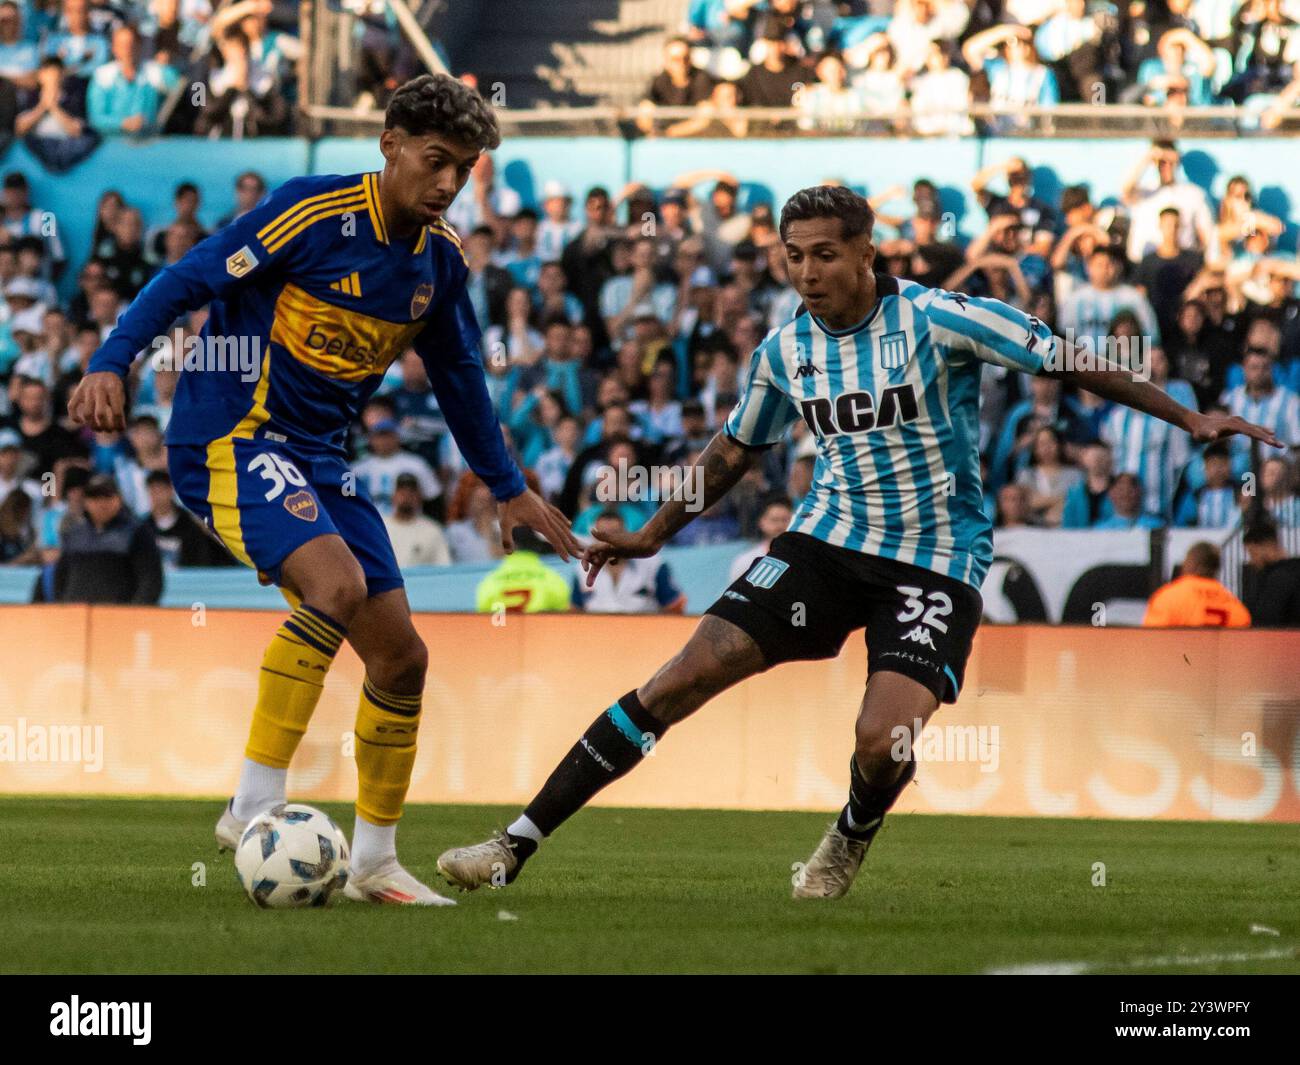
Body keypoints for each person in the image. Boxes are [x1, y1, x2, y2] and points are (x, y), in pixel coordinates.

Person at [437, 185, 1280, 899]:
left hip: (936, 560)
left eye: (825, 254)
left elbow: (1066, 359)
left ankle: (850, 832)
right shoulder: (786, 351)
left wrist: (1188, 414)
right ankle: (513, 844)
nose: (807, 271)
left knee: (883, 741)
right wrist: (651, 535)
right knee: (680, 676)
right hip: (828, 541)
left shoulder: (940, 319)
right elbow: (731, 452)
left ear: (866, 253)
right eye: (794, 255)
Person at [68, 74, 581, 907]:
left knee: (403, 657)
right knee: (335, 585)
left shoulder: (439, 264)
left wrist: (507, 486)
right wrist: (110, 359)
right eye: (436, 160)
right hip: (231, 436)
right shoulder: (311, 212)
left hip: (320, 459)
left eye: (467, 169)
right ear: (390, 145)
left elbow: (457, 376)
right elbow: (189, 278)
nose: (449, 183)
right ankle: (253, 803)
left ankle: (374, 859)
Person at [52, 474, 163, 604]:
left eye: (107, 496)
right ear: (86, 502)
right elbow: (61, 577)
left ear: (119, 499)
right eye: (94, 497)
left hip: (118, 617)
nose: (101, 503)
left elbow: (150, 580)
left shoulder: (136, 532)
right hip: (77, 616)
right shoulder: (75, 534)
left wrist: (135, 614)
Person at [571, 508, 687, 614]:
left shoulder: (653, 565)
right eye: (601, 537)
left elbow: (674, 606)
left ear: (625, 535)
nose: (607, 543)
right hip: (596, 632)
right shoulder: (582, 570)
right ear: (592, 538)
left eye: (613, 535)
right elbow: (575, 610)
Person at [1142, 542, 1250, 627]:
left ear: (1191, 562)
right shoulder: (1236, 606)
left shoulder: (1169, 597)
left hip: (1181, 655)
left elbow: (1152, 640)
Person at [382, 471, 451, 567]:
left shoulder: (432, 530)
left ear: (420, 497)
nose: (406, 496)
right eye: (402, 491)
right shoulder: (380, 527)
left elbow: (443, 567)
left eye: (411, 492)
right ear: (393, 496)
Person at [1241, 514, 1300, 626]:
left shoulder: (1277, 578)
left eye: (1253, 553)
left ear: (1267, 546)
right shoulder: (1294, 569)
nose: (1252, 561)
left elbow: (1266, 619)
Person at [475, 547, 572, 614]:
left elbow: (485, 622)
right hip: (540, 638)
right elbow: (564, 619)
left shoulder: (489, 581)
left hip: (502, 637)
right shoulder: (553, 578)